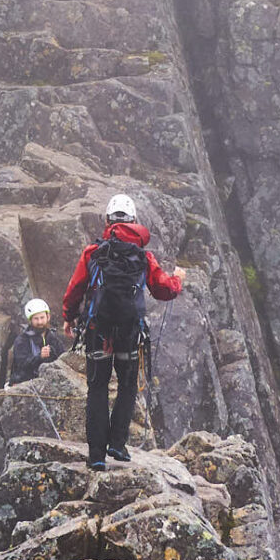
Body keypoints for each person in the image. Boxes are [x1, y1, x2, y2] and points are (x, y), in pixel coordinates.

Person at [61, 192, 183, 469]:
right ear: (134, 220)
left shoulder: (94, 252)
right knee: (127, 385)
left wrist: (69, 317)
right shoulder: (143, 256)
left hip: (97, 328)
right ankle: (117, 443)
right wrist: (178, 280)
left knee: (98, 387)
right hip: (130, 330)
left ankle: (96, 456)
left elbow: (75, 289)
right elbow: (164, 289)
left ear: (107, 220)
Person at [0, 297, 59, 388]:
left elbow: (62, 359)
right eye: (36, 319)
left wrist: (52, 352)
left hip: (48, 381)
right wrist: (39, 356)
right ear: (30, 320)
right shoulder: (22, 340)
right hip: (25, 382)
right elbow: (21, 364)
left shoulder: (53, 338)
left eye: (42, 317)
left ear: (48, 317)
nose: (40, 322)